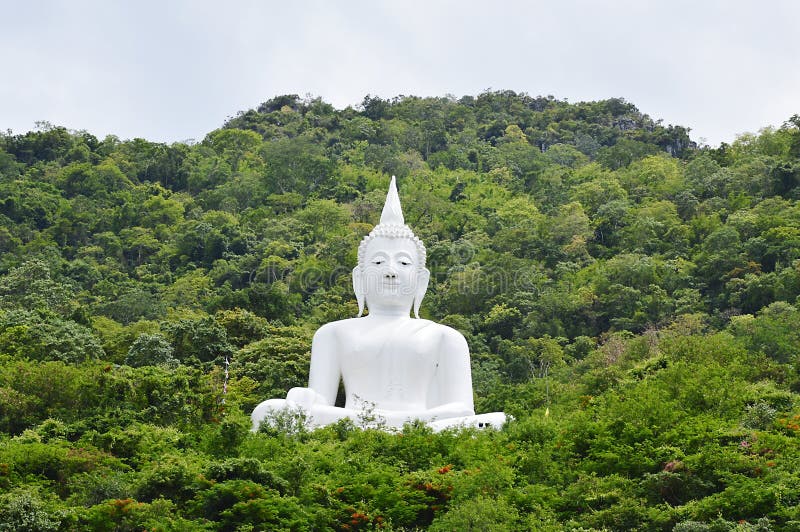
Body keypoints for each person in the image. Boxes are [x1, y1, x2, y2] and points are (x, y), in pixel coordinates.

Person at [251, 177, 506, 431]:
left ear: (421, 280)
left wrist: (389, 421)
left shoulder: (446, 338)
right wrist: (305, 398)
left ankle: (392, 427)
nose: (391, 271)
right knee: (268, 412)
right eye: (378, 262)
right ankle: (396, 428)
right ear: (359, 278)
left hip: (410, 425)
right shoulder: (333, 333)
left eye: (404, 263)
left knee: (497, 422)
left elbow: (461, 410)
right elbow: (318, 402)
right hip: (365, 424)